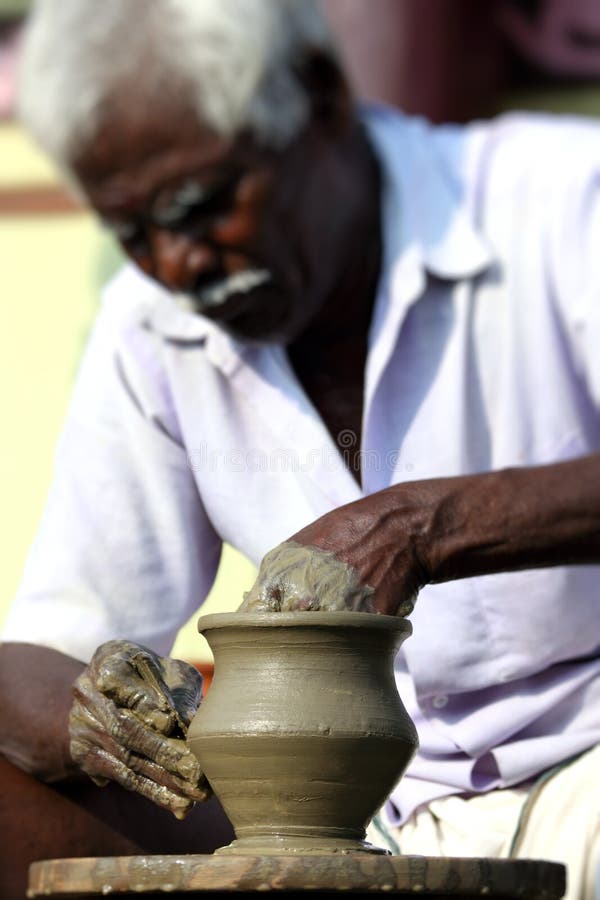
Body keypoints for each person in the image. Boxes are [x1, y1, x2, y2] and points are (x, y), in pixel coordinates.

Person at [1, 0, 600, 897]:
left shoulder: (553, 199)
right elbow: (40, 653)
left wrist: (420, 528)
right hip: (367, 822)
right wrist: (93, 712)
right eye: (134, 234)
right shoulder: (152, 323)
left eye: (204, 207)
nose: (179, 264)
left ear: (319, 100)